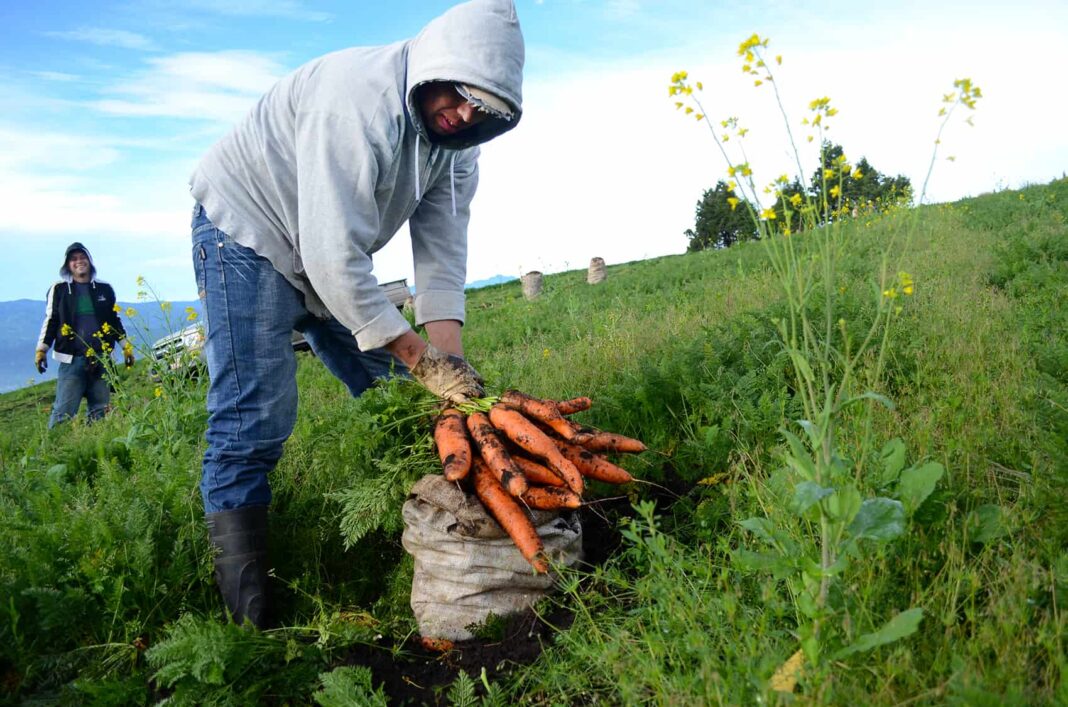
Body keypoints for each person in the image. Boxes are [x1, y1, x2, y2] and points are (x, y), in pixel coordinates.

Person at [189, 0, 524, 628]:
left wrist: (448, 368)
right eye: (457, 96)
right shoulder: (354, 101)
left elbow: (443, 247)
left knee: (402, 396)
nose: (462, 116)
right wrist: (416, 354)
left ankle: (447, 534)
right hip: (249, 234)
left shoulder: (456, 143)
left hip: (325, 244)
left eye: (481, 112)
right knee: (255, 416)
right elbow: (331, 253)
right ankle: (248, 620)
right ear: (434, 69)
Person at [35, 243, 135, 428]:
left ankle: (95, 450)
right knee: (63, 413)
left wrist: (126, 348)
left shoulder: (105, 289)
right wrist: (42, 350)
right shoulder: (59, 290)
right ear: (67, 265)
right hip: (71, 360)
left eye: (83, 257)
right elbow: (52, 320)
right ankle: (55, 452)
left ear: (90, 261)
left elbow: (114, 321)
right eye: (73, 259)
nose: (79, 261)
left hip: (102, 359)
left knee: (100, 411)